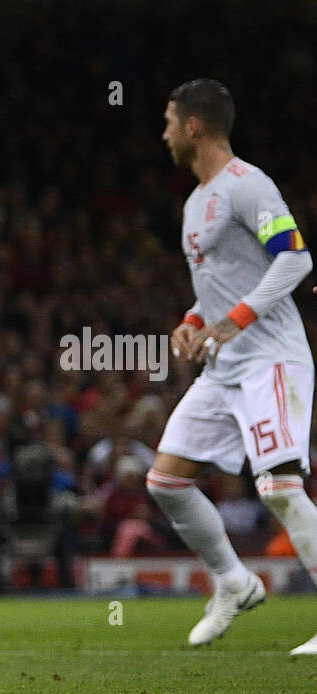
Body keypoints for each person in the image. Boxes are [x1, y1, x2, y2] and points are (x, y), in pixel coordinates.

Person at [145, 80, 315, 650]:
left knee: (280, 488)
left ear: (195, 126)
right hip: (224, 366)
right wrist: (194, 323)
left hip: (270, 359)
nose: (164, 132)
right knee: (167, 479)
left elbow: (295, 257)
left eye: (169, 121)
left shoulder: (247, 185)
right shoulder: (195, 203)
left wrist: (234, 320)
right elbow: (219, 292)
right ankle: (233, 580)